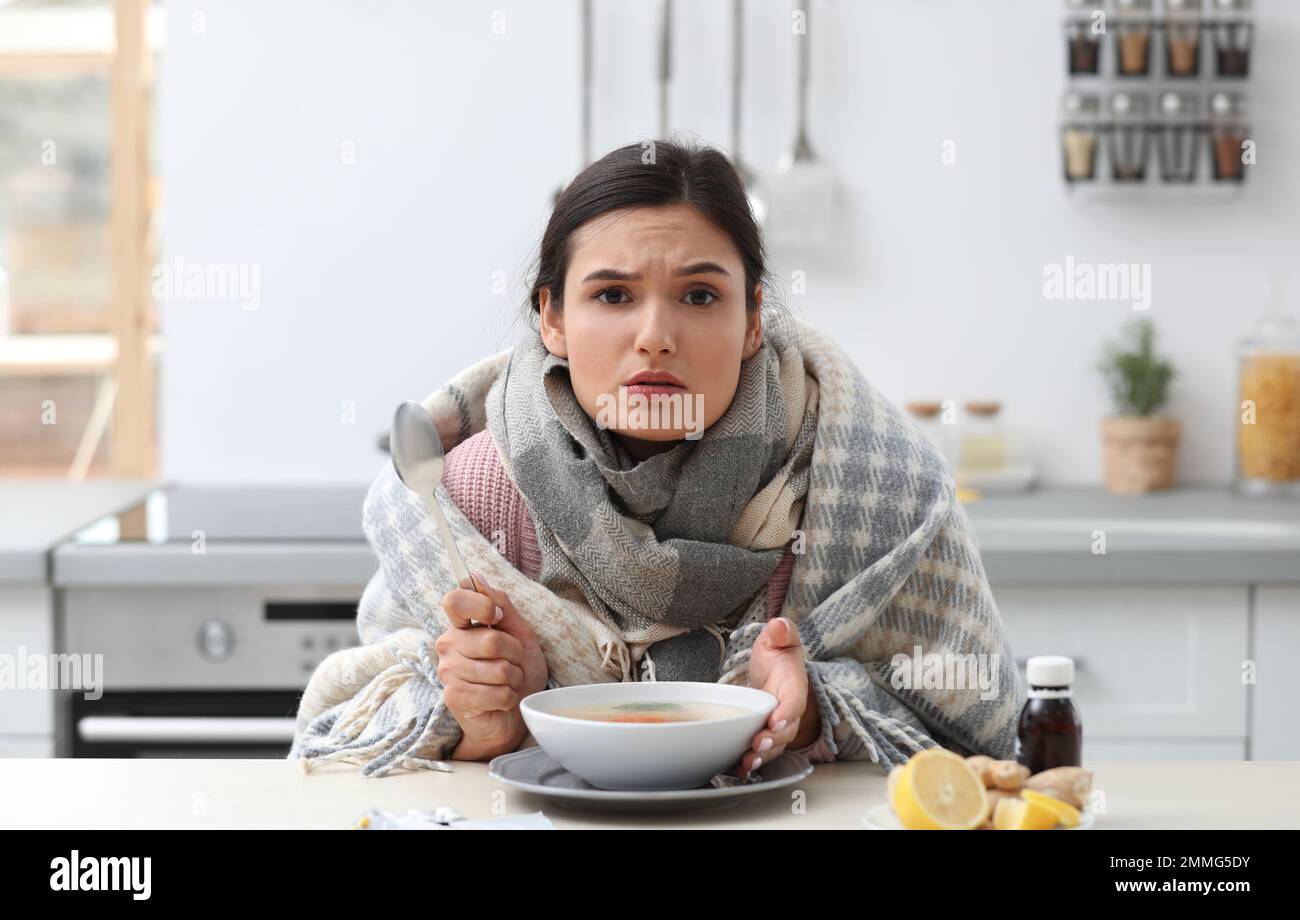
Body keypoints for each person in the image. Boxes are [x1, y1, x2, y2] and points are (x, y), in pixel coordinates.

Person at [290, 138, 1024, 779]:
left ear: (752, 319)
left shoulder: (871, 479)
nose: (654, 336)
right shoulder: (473, 497)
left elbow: (991, 740)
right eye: (612, 295)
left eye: (700, 295)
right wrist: (480, 727)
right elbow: (340, 746)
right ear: (551, 319)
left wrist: (812, 714)